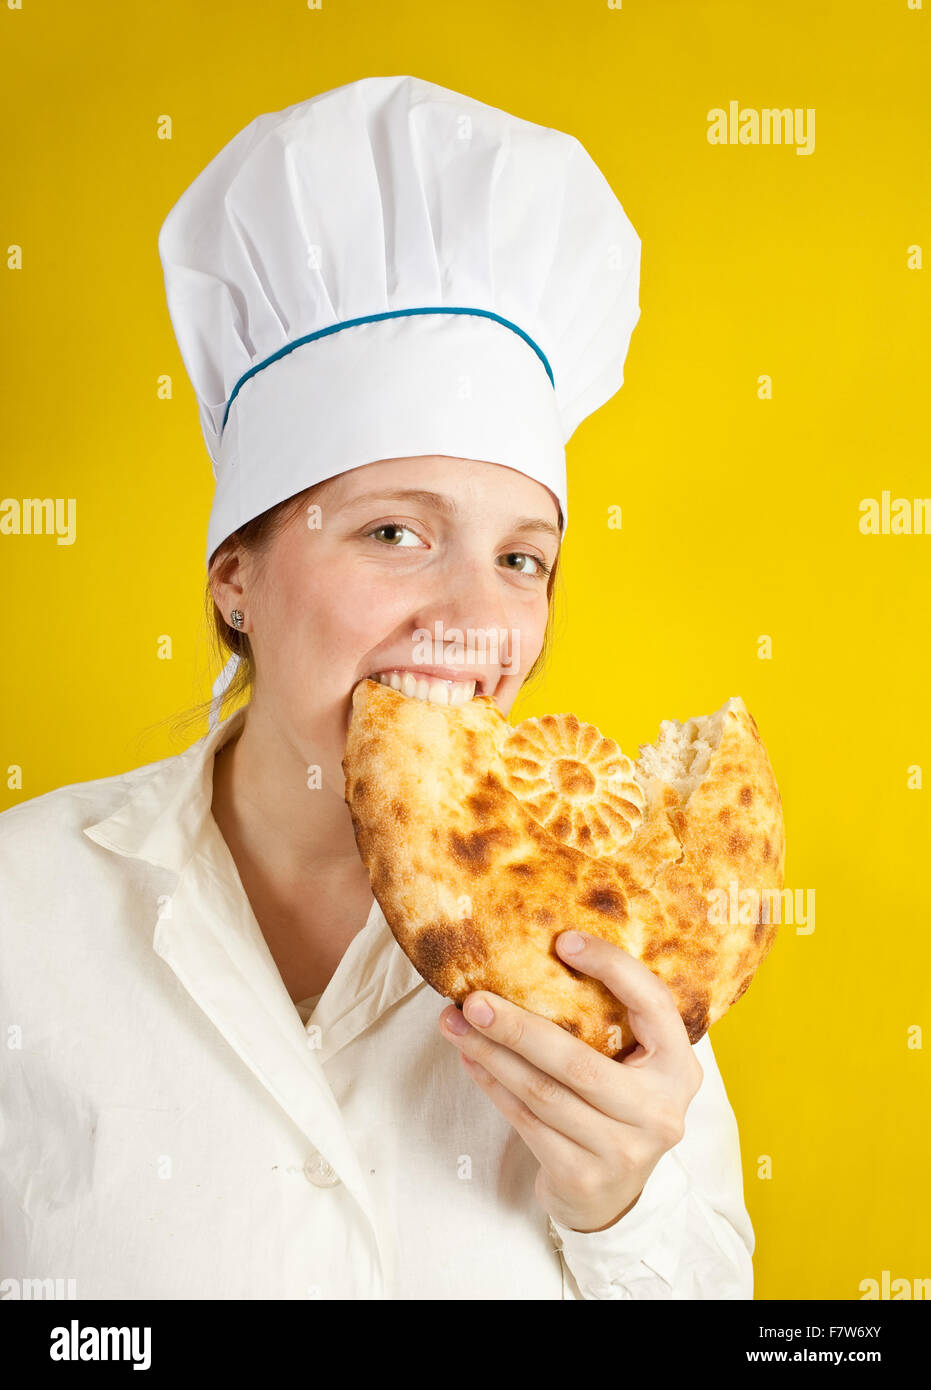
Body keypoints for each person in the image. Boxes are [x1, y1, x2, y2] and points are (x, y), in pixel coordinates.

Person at [0, 75, 754, 1300]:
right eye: (394, 533)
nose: (472, 620)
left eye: (522, 557)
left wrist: (621, 1208)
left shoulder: (614, 954)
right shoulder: (20, 914)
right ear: (234, 574)